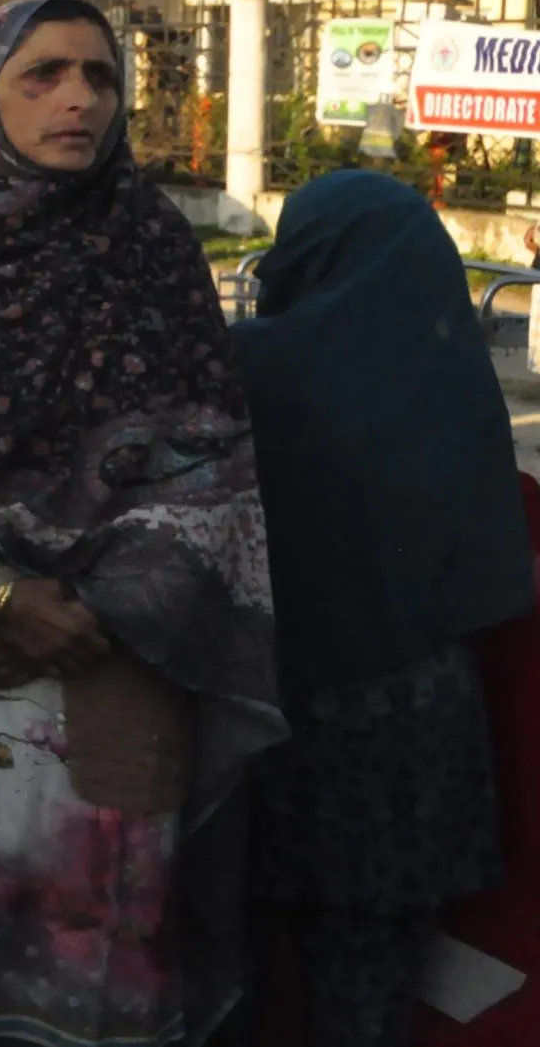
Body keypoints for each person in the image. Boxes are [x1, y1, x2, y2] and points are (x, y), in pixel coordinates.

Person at [0, 0, 281, 1047]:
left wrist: (84, 604)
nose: (79, 98)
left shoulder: (149, 244)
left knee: (88, 967)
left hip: (108, 653)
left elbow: (208, 465)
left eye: (99, 74)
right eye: (42, 74)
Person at [232, 171, 533, 1047]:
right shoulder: (455, 378)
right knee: (368, 995)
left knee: (243, 979)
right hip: (417, 740)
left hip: (266, 723)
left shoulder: (249, 365)